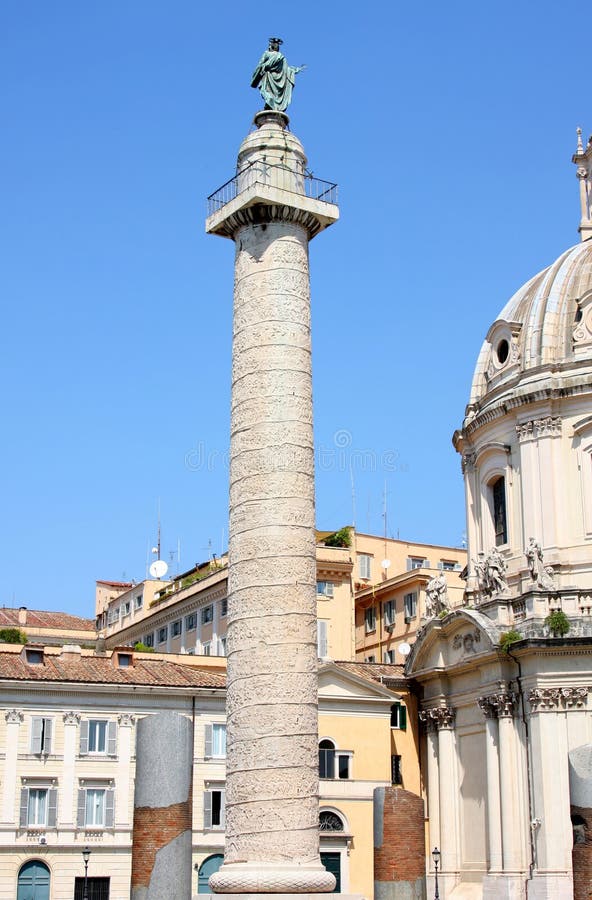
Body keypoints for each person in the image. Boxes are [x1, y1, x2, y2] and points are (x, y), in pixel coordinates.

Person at [251, 38, 305, 112]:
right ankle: (270, 105)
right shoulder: (267, 53)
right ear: (271, 45)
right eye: (275, 44)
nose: (276, 45)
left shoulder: (281, 56)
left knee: (273, 98)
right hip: (268, 78)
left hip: (280, 79)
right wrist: (263, 68)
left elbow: (286, 68)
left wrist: (295, 70)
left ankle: (274, 107)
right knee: (268, 96)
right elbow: (260, 65)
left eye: (277, 44)